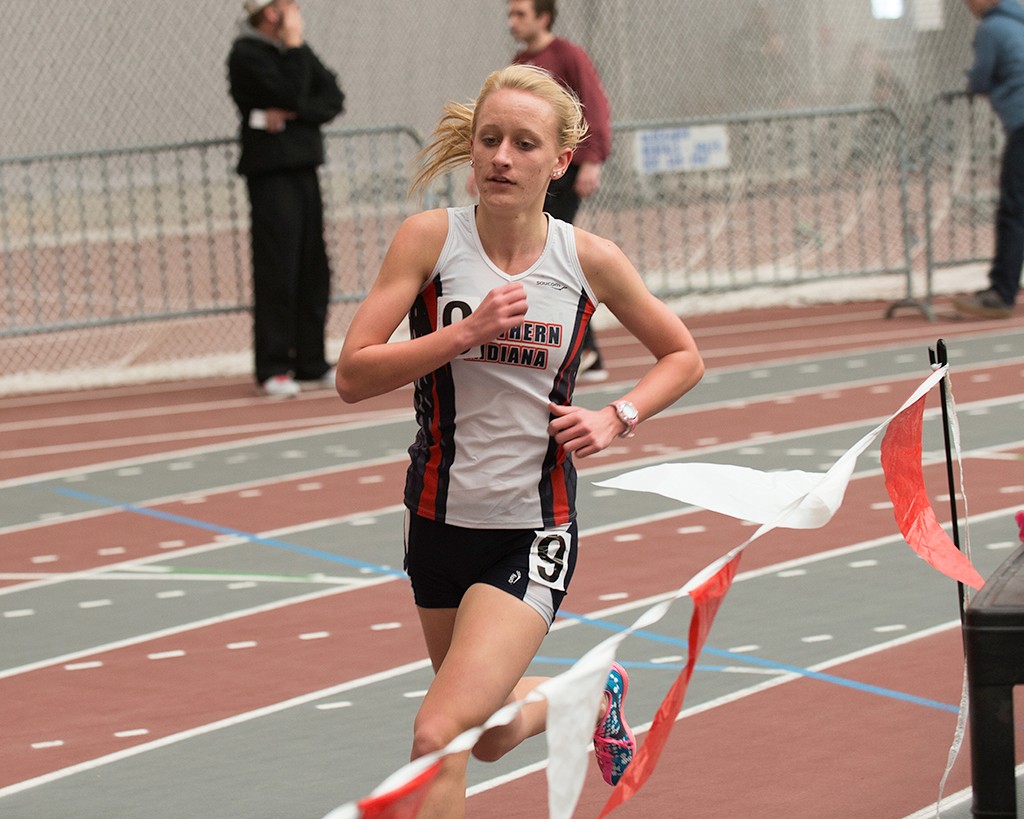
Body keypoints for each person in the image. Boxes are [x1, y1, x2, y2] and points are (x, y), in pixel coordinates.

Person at [336, 65, 703, 817]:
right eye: (490, 139)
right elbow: (352, 373)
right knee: (486, 734)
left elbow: (683, 355)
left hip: (532, 529)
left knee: (439, 729)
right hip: (437, 520)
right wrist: (462, 332)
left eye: (524, 143)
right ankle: (586, 689)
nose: (502, 157)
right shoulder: (430, 239)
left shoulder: (586, 259)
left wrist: (616, 416)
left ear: (560, 161)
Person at [227, 0, 345, 397]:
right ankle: (274, 365)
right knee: (278, 268)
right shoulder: (247, 53)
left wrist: (292, 114)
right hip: (271, 174)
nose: (297, 10)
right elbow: (290, 90)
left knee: (314, 266)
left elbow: (332, 97)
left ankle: (311, 359)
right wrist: (294, 59)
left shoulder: (297, 50)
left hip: (304, 169)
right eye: (288, 5)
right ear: (272, 13)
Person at [505, 0, 613, 382]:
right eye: (510, 14)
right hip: (536, 172)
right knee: (544, 255)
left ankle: (584, 350)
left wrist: (593, 160)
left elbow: (594, 107)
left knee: (556, 252)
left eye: (520, 14)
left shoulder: (568, 55)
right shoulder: (520, 61)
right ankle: (587, 352)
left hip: (565, 170)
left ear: (543, 17)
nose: (512, 21)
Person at [954, 0, 1024, 320]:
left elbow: (980, 79)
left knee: (1013, 209)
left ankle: (1001, 291)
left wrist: (974, 80)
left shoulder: (992, 29)